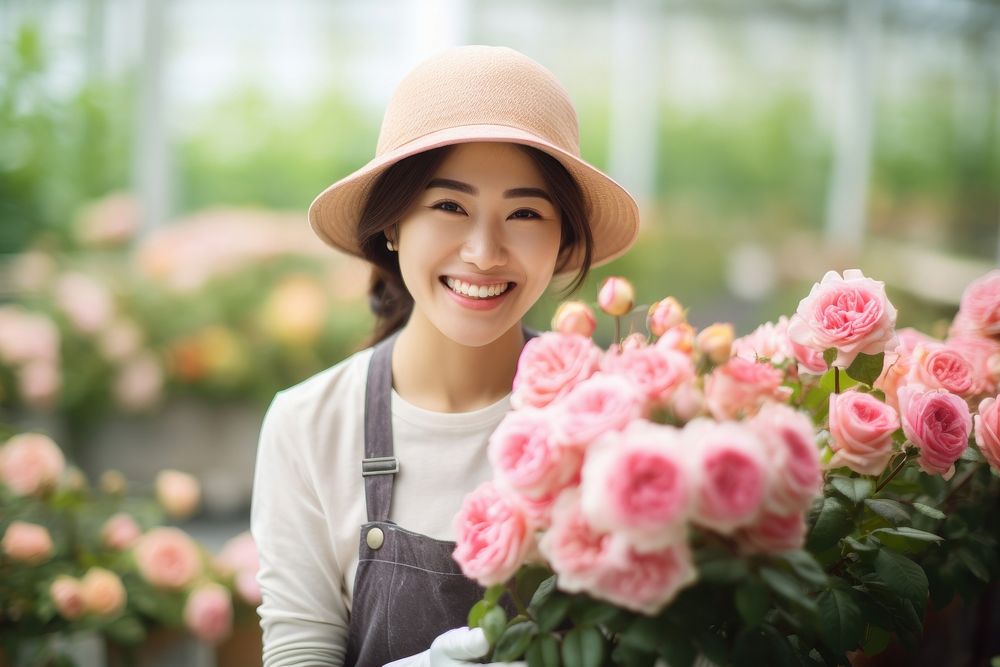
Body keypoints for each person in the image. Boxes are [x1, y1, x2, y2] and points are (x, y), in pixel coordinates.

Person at [250, 45, 640, 667]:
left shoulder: (615, 414)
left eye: (524, 212)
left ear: (561, 237)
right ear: (393, 223)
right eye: (449, 206)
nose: (484, 252)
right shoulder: (308, 425)